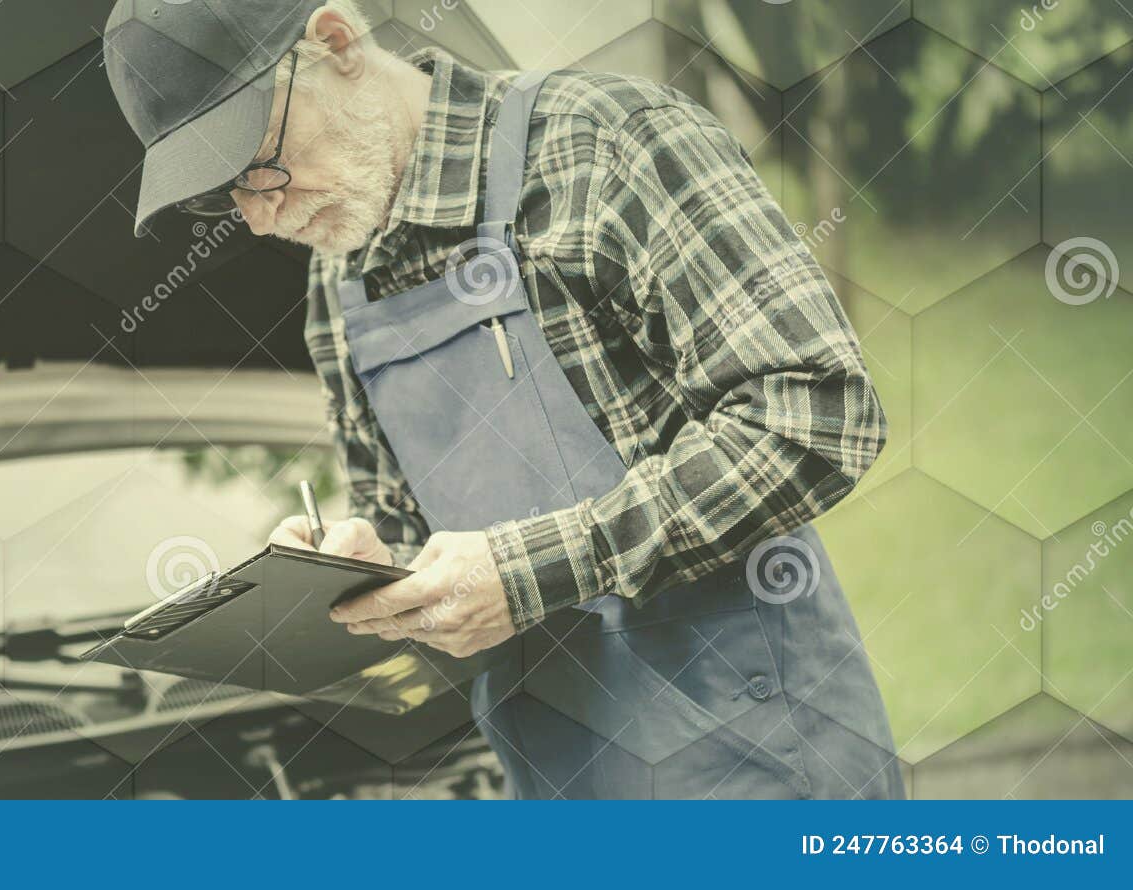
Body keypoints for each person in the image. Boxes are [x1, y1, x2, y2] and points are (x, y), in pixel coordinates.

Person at [105, 0, 903, 799]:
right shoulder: (336, 280)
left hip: (760, 768)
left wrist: (531, 571)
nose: (257, 217)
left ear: (336, 41)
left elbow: (815, 411)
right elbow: (415, 540)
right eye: (220, 197)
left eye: (257, 162)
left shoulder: (608, 143)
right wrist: (368, 576)